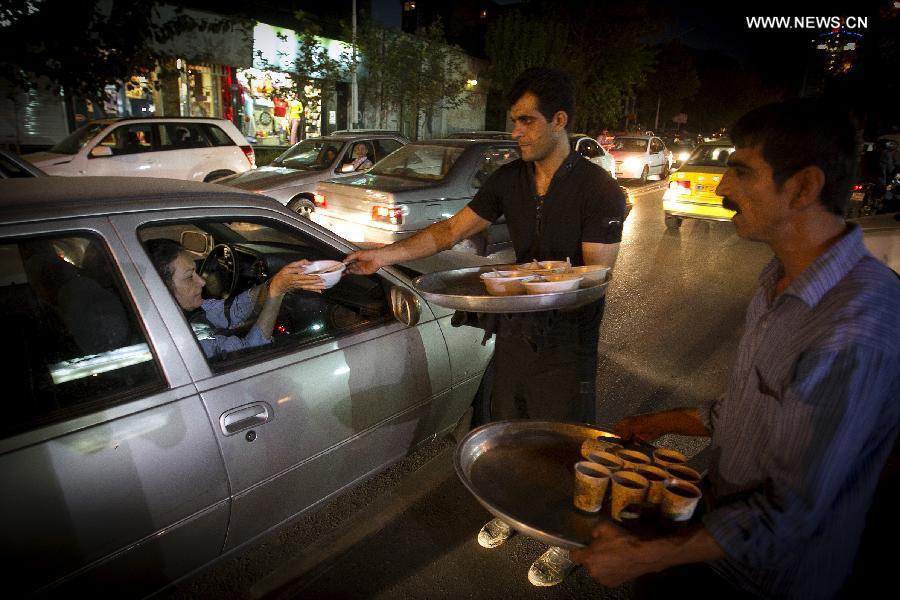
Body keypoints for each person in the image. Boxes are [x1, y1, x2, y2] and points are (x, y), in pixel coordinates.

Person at [571, 98, 900, 599]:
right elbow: (747, 412)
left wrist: (645, 556)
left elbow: (792, 514)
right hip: (715, 538)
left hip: (768, 579)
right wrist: (652, 424)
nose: (722, 186)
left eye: (741, 172)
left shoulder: (854, 327)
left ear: (804, 186)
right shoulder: (779, 277)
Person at [344, 67, 625, 587]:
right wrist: (380, 256)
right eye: (512, 121)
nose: (515, 132)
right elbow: (450, 230)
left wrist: (526, 282)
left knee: (565, 444)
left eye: (526, 121)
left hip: (569, 341)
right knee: (509, 429)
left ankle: (563, 540)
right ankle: (513, 509)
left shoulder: (600, 190)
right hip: (517, 330)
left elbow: (594, 278)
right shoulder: (508, 180)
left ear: (559, 121)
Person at [146, 239, 325, 359]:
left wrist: (275, 282)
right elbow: (252, 351)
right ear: (161, 286)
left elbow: (232, 310)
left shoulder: (184, 311)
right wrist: (276, 293)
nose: (201, 281)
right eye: (188, 276)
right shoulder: (184, 341)